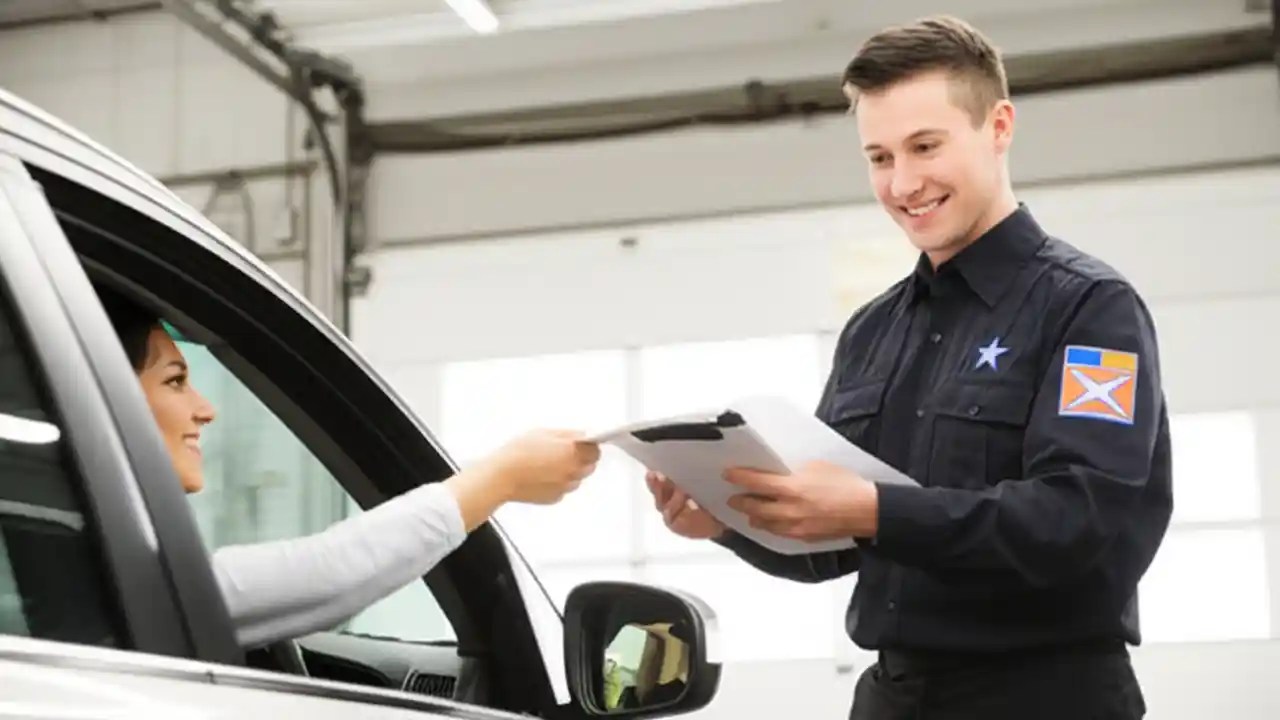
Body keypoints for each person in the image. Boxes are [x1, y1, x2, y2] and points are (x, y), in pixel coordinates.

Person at [646, 15, 1170, 720]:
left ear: (999, 126)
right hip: (895, 698)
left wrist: (875, 509)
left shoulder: (1088, 309)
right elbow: (831, 543)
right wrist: (729, 523)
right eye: (879, 157)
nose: (903, 183)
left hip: (1046, 696)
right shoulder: (873, 330)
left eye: (926, 146)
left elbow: (1079, 521)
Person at [98, 288, 600, 649]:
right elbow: (327, 574)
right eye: (176, 380)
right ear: (106, 395)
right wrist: (502, 478)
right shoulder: (102, 575)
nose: (206, 409)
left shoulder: (97, 556)